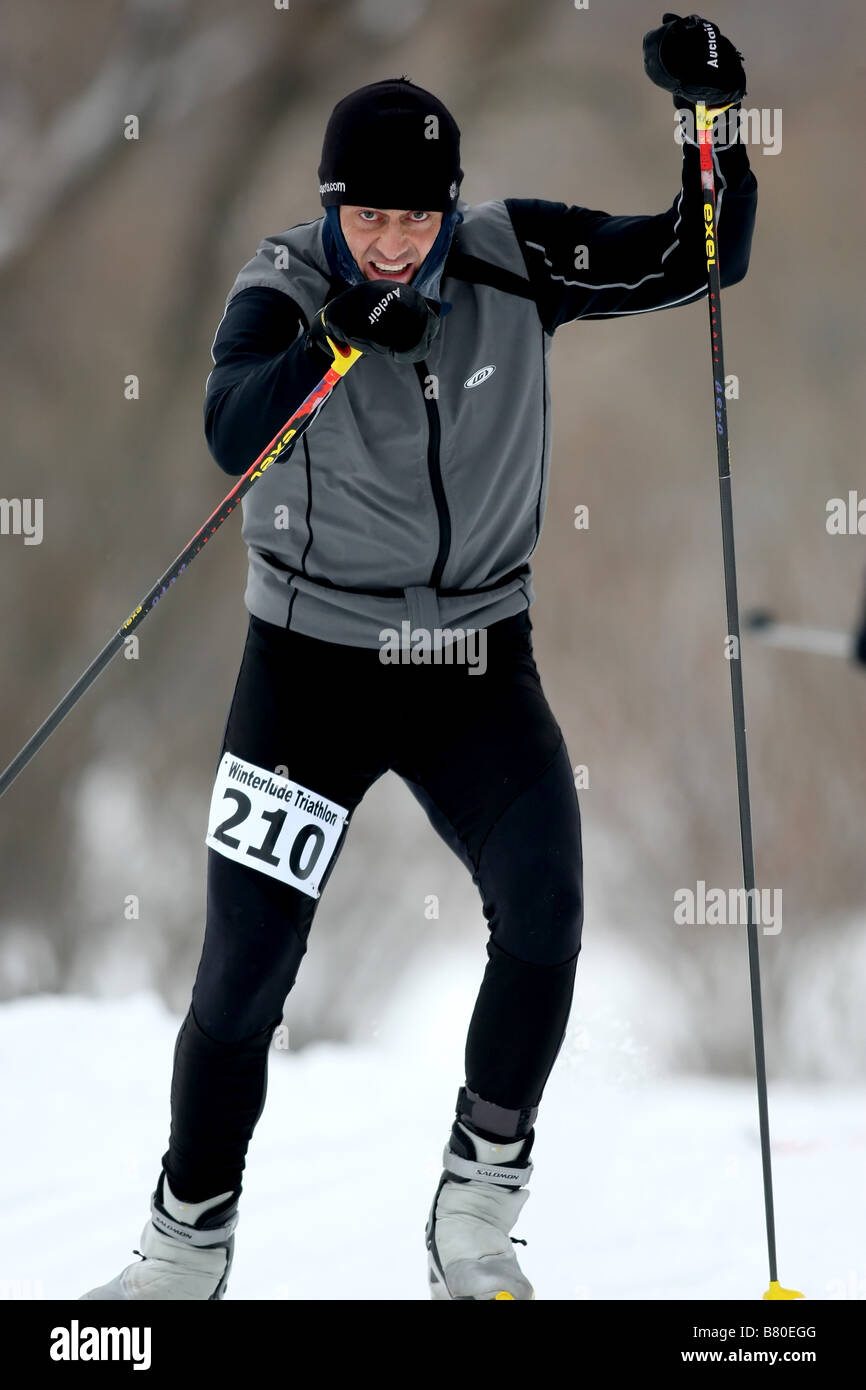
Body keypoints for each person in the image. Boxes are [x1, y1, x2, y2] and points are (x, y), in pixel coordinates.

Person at [81, 13, 757, 1301]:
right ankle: (184, 1247)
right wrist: (331, 338)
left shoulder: (514, 259)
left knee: (548, 916)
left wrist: (711, 132)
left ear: (453, 208)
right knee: (242, 972)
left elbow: (695, 257)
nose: (391, 245)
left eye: (416, 220)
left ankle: (475, 1216)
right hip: (308, 672)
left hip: (473, 672)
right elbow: (231, 430)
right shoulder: (283, 285)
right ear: (331, 208)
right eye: (367, 220)